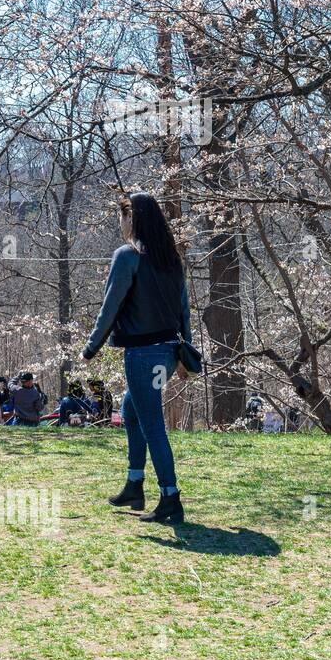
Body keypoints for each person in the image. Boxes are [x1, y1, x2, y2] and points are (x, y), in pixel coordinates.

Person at [82, 192, 192, 524]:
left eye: (123, 217)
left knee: (151, 424)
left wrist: (91, 347)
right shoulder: (172, 259)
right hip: (168, 355)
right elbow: (184, 309)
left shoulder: (127, 256)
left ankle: (170, 497)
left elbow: (110, 307)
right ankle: (134, 482)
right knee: (132, 409)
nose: (121, 224)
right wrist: (185, 352)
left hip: (142, 354)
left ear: (133, 219)